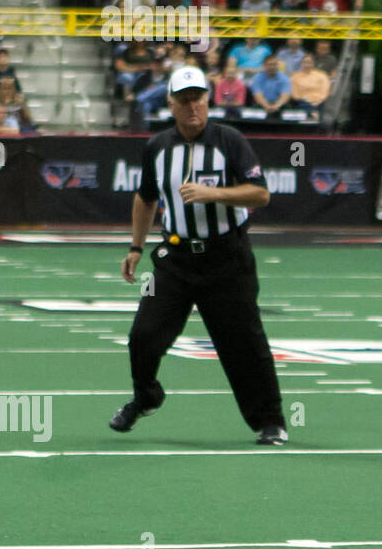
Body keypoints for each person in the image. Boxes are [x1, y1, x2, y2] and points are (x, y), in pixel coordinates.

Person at [113, 66, 288, 445]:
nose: (193, 107)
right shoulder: (157, 147)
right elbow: (145, 197)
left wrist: (215, 194)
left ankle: (270, 421)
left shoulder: (230, 141)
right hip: (174, 258)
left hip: (227, 258)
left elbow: (260, 194)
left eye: (199, 99)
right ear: (171, 104)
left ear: (208, 101)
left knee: (243, 342)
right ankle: (146, 397)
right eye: (185, 100)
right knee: (143, 336)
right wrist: (135, 247)